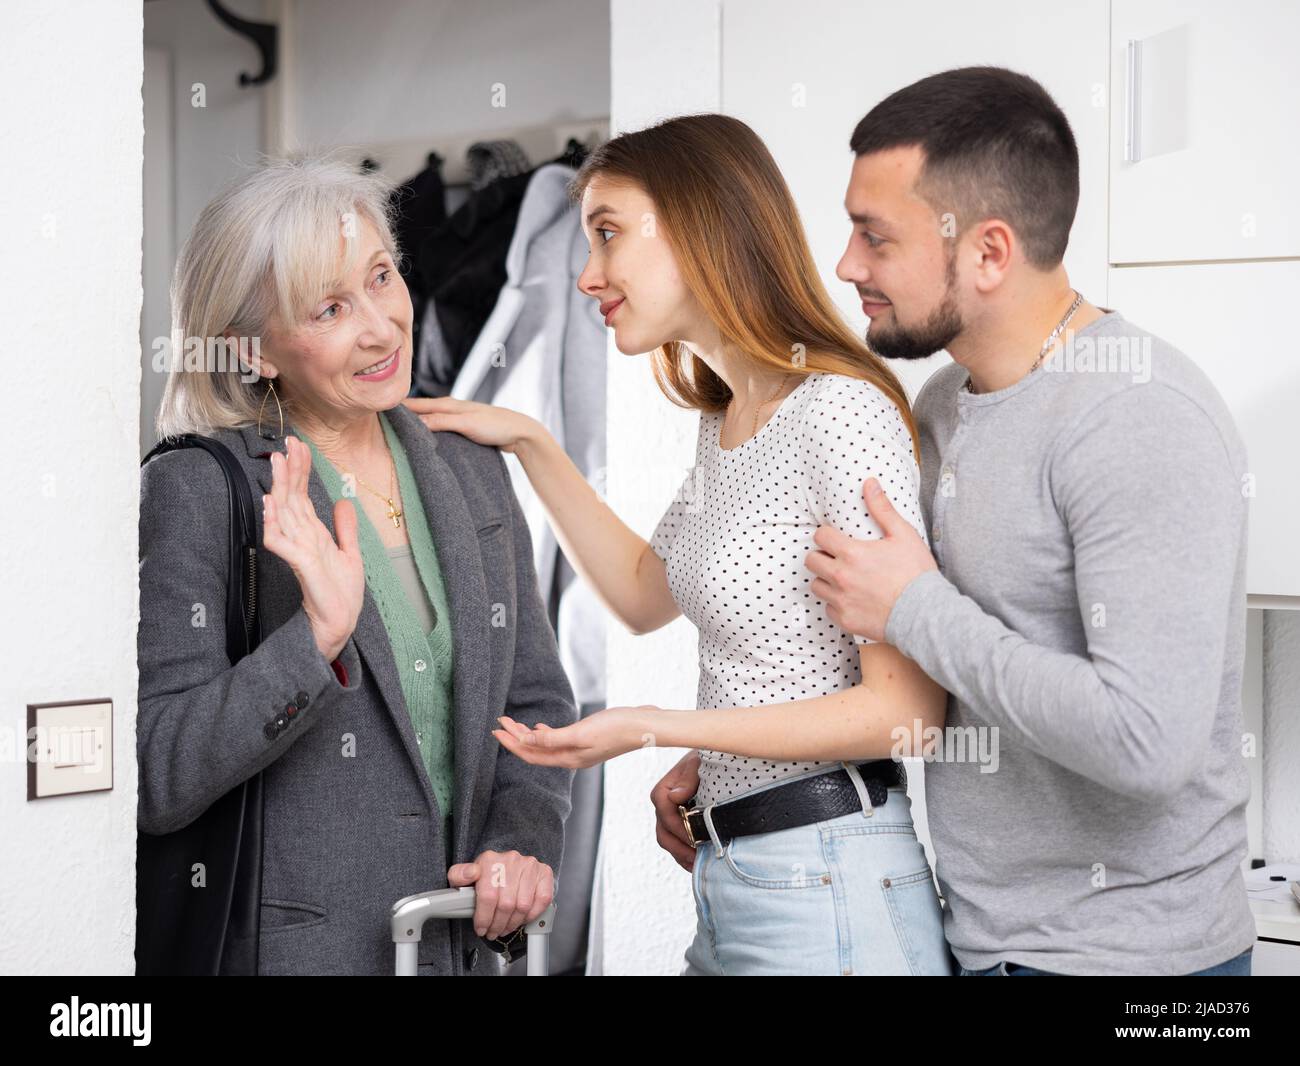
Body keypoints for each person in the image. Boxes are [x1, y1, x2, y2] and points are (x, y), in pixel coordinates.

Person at [404, 114, 953, 976]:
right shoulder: (729, 421)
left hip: (831, 884)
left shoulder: (839, 413)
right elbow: (639, 592)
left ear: (699, 225)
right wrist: (530, 443)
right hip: (737, 876)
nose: (588, 276)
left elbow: (908, 715)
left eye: (609, 235)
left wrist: (657, 728)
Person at [804, 67, 1255, 976]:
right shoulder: (940, 405)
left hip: (1142, 971)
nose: (848, 264)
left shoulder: (1138, 415)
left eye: (874, 236)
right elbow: (920, 687)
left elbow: (1145, 742)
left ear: (989, 253)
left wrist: (917, 608)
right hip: (981, 943)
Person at [138, 152, 577, 975]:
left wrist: (519, 846)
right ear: (255, 351)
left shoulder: (471, 467)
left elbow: (536, 703)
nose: (380, 326)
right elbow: (160, 771)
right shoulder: (198, 488)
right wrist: (314, 640)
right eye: (330, 307)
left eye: (382, 277)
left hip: (454, 955)